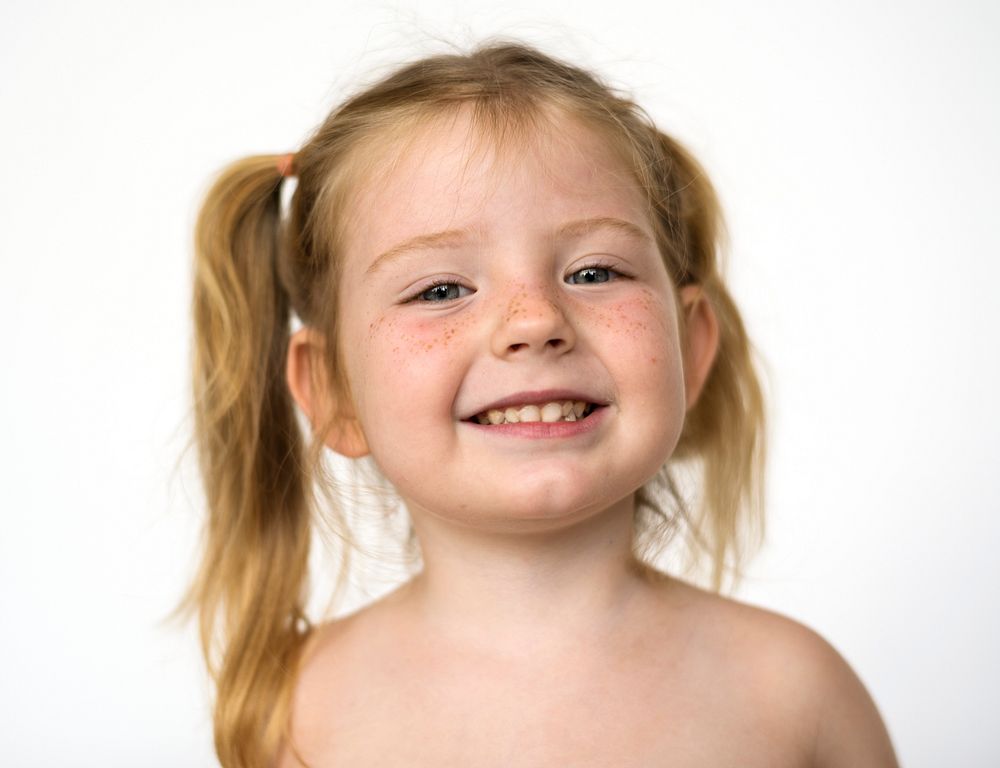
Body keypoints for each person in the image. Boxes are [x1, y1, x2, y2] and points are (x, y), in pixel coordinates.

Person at [186, 40, 900, 768]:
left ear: (690, 347)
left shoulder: (794, 696)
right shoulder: (294, 713)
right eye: (440, 290)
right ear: (334, 390)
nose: (534, 321)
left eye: (594, 271)